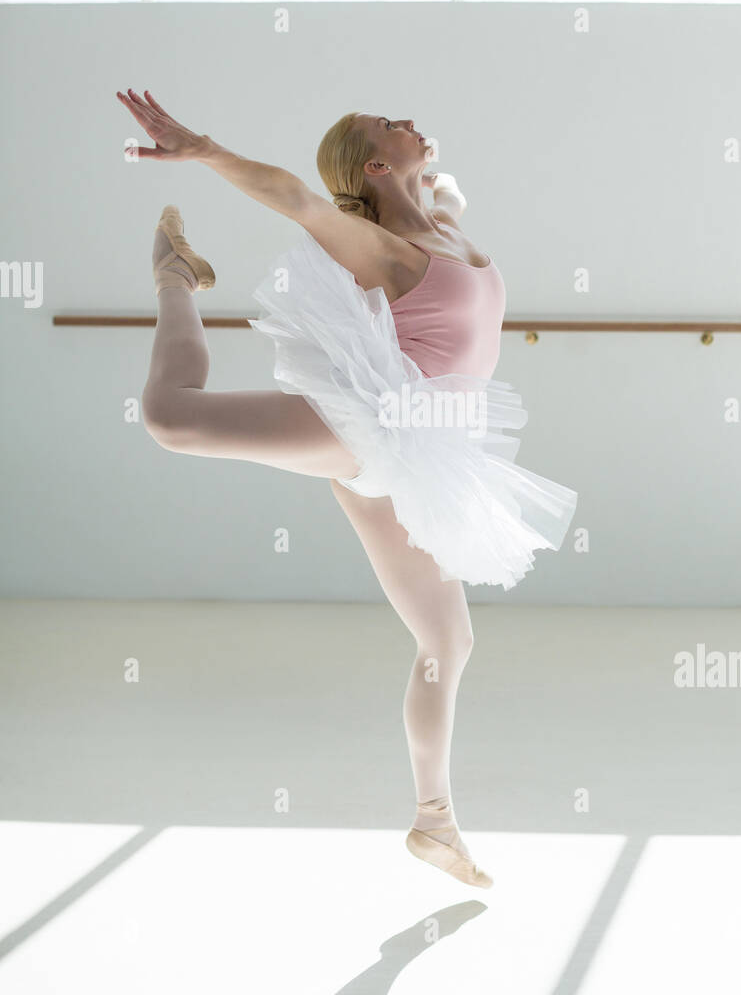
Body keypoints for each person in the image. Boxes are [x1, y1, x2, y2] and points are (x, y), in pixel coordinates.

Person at [116, 88, 577, 888]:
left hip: (428, 460)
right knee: (167, 417)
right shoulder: (384, 248)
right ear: (373, 162)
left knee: (450, 644)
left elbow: (436, 190)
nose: (406, 118)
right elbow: (294, 196)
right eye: (388, 124)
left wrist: (430, 185)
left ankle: (434, 821)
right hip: (373, 429)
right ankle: (176, 278)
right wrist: (204, 149)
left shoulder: (439, 220)